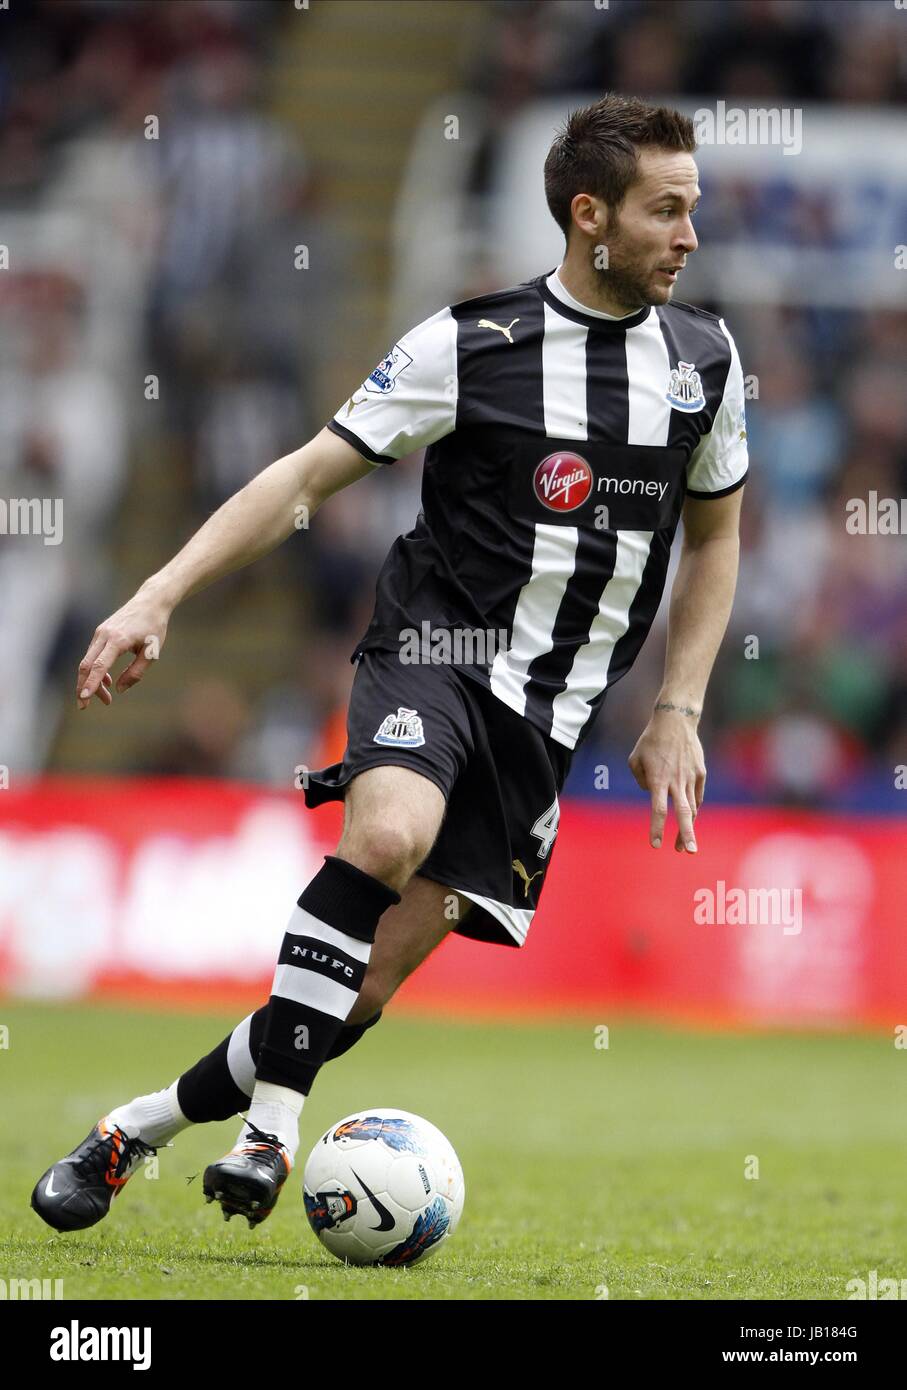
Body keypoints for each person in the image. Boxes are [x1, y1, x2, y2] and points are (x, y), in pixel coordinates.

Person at [31, 93, 747, 1234]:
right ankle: (273, 1130)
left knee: (348, 994)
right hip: (435, 650)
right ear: (588, 215)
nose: (689, 236)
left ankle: (133, 1129)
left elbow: (713, 536)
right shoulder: (470, 344)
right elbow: (306, 477)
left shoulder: (703, 362)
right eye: (666, 211)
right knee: (385, 835)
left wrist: (680, 705)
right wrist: (158, 594)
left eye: (691, 209)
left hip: (548, 719)